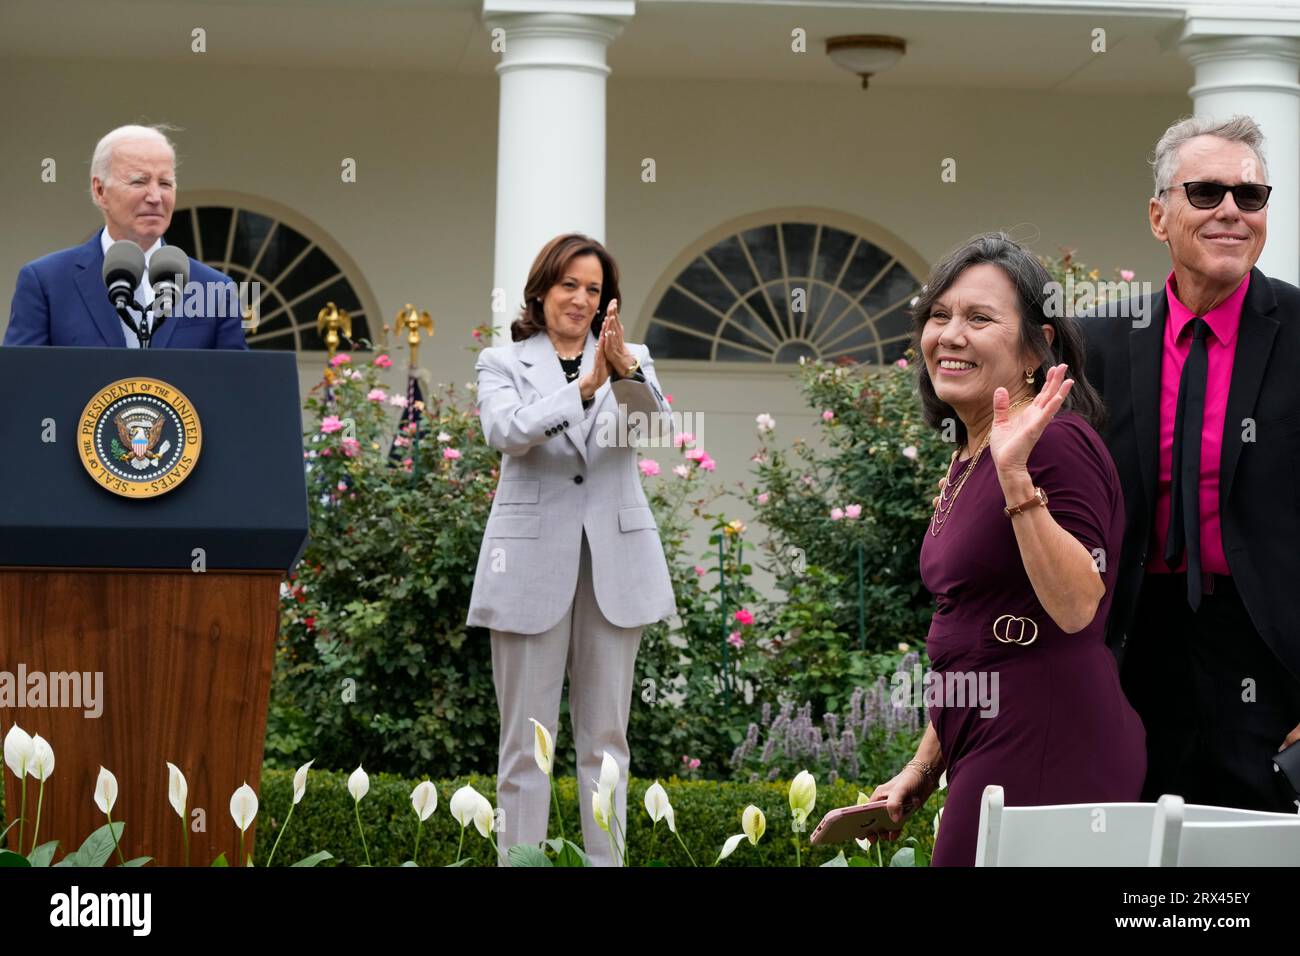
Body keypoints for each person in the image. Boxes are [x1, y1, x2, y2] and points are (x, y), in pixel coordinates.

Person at [872, 233, 1145, 866]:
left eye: (979, 318)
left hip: (1052, 739)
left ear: (1037, 346)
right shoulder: (973, 453)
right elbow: (975, 631)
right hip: (986, 737)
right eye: (939, 316)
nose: (950, 334)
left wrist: (1018, 476)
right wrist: (922, 764)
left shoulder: (1053, 442)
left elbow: (1079, 606)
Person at [1084, 115, 1300, 813]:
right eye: (1206, 193)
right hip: (1134, 648)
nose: (1232, 211)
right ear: (1159, 216)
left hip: (1269, 652)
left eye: (1251, 195)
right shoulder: (1102, 345)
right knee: (1138, 853)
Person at [466, 233, 676, 865]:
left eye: (594, 290)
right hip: (528, 568)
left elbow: (661, 431)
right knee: (525, 746)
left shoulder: (631, 357)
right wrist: (582, 388)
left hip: (615, 566)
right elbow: (505, 432)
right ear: (542, 290)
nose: (581, 300)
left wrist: (624, 374)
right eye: (570, 286)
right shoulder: (502, 362)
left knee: (606, 744)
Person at [4, 124, 247, 349]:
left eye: (165, 183)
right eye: (138, 181)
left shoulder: (215, 288)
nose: (155, 197)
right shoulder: (46, 282)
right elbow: (22, 381)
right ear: (100, 191)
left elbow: (234, 384)